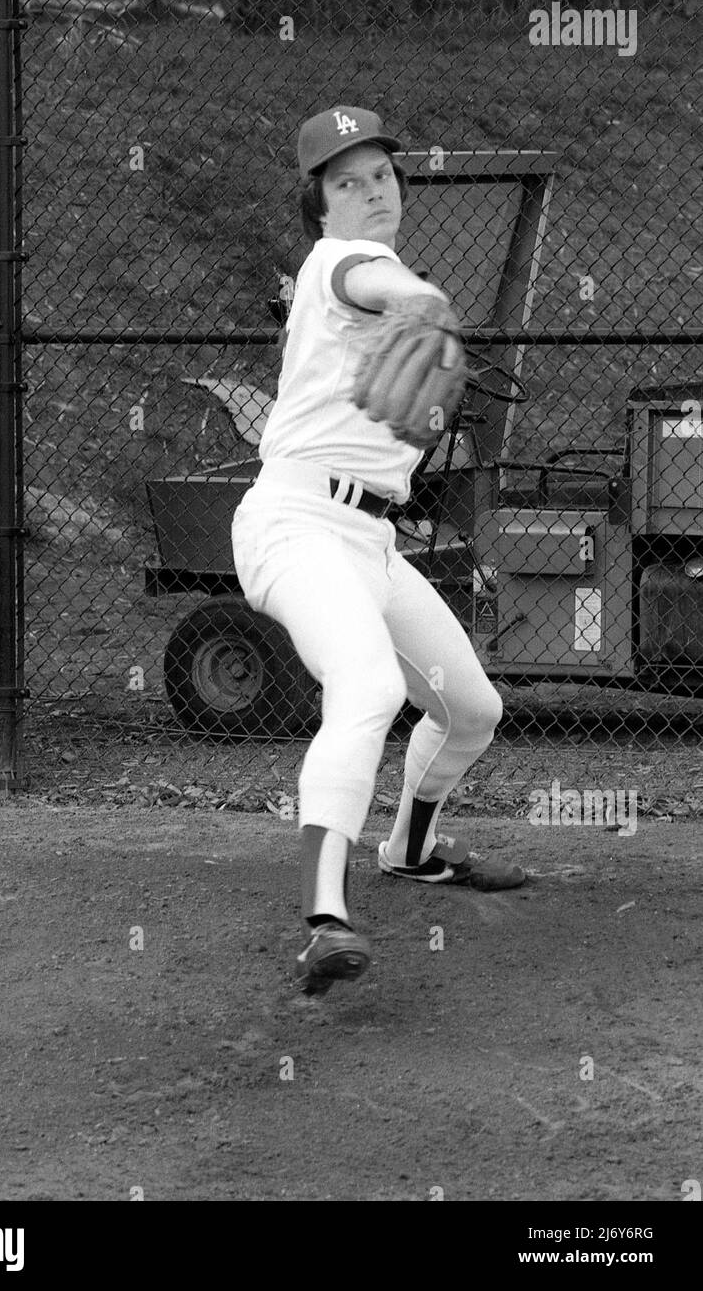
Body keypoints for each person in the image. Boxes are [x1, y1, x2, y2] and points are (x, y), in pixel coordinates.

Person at [231, 105, 526, 996]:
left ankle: (411, 849)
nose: (371, 192)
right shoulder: (337, 264)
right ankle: (324, 921)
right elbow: (385, 289)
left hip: (368, 538)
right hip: (295, 520)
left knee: (472, 709)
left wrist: (426, 332)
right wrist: (425, 308)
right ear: (319, 206)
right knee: (367, 688)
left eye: (383, 177)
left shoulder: (391, 274)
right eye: (346, 181)